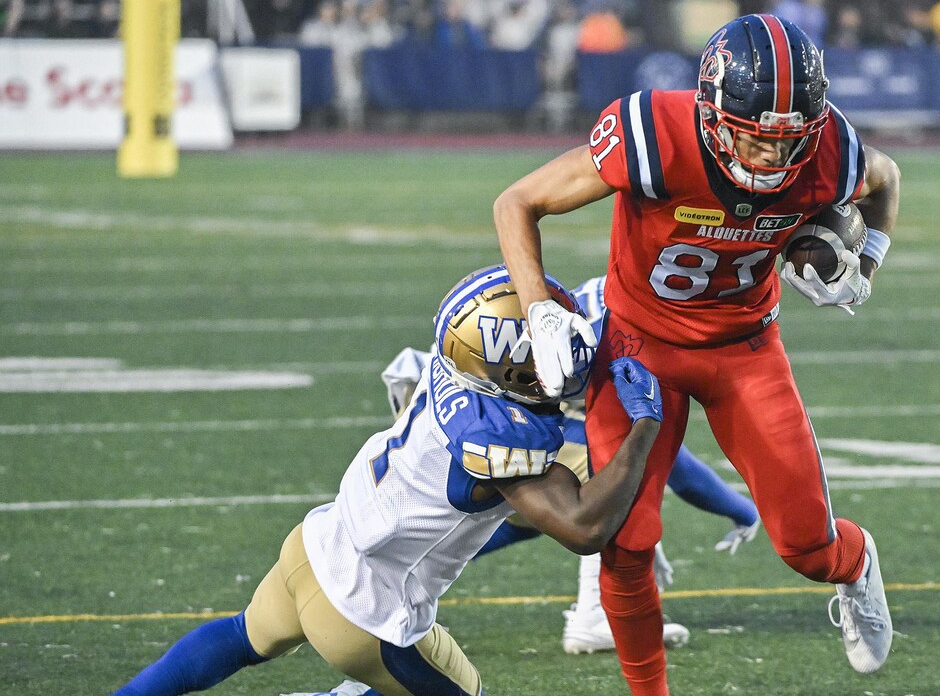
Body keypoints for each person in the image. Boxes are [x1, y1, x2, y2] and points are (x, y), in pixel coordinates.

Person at [493, 13, 899, 696]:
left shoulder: (830, 147)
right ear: (712, 113)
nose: (773, 157)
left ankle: (857, 565)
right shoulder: (655, 133)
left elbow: (885, 178)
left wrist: (868, 261)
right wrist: (538, 311)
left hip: (745, 349)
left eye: (789, 139)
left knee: (806, 545)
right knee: (622, 539)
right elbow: (518, 201)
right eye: (757, 139)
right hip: (636, 348)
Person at [108, 265, 665, 696]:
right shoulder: (499, 436)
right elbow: (585, 528)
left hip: (317, 545)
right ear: (510, 367)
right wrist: (643, 427)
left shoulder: (456, 364)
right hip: (367, 610)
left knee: (241, 636)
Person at [376, 274, 761, 656]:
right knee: (608, 471)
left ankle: (395, 572)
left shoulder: (619, 292)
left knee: (532, 505)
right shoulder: (633, 331)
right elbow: (669, 462)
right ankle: (597, 617)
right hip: (481, 399)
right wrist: (741, 510)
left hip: (455, 380)